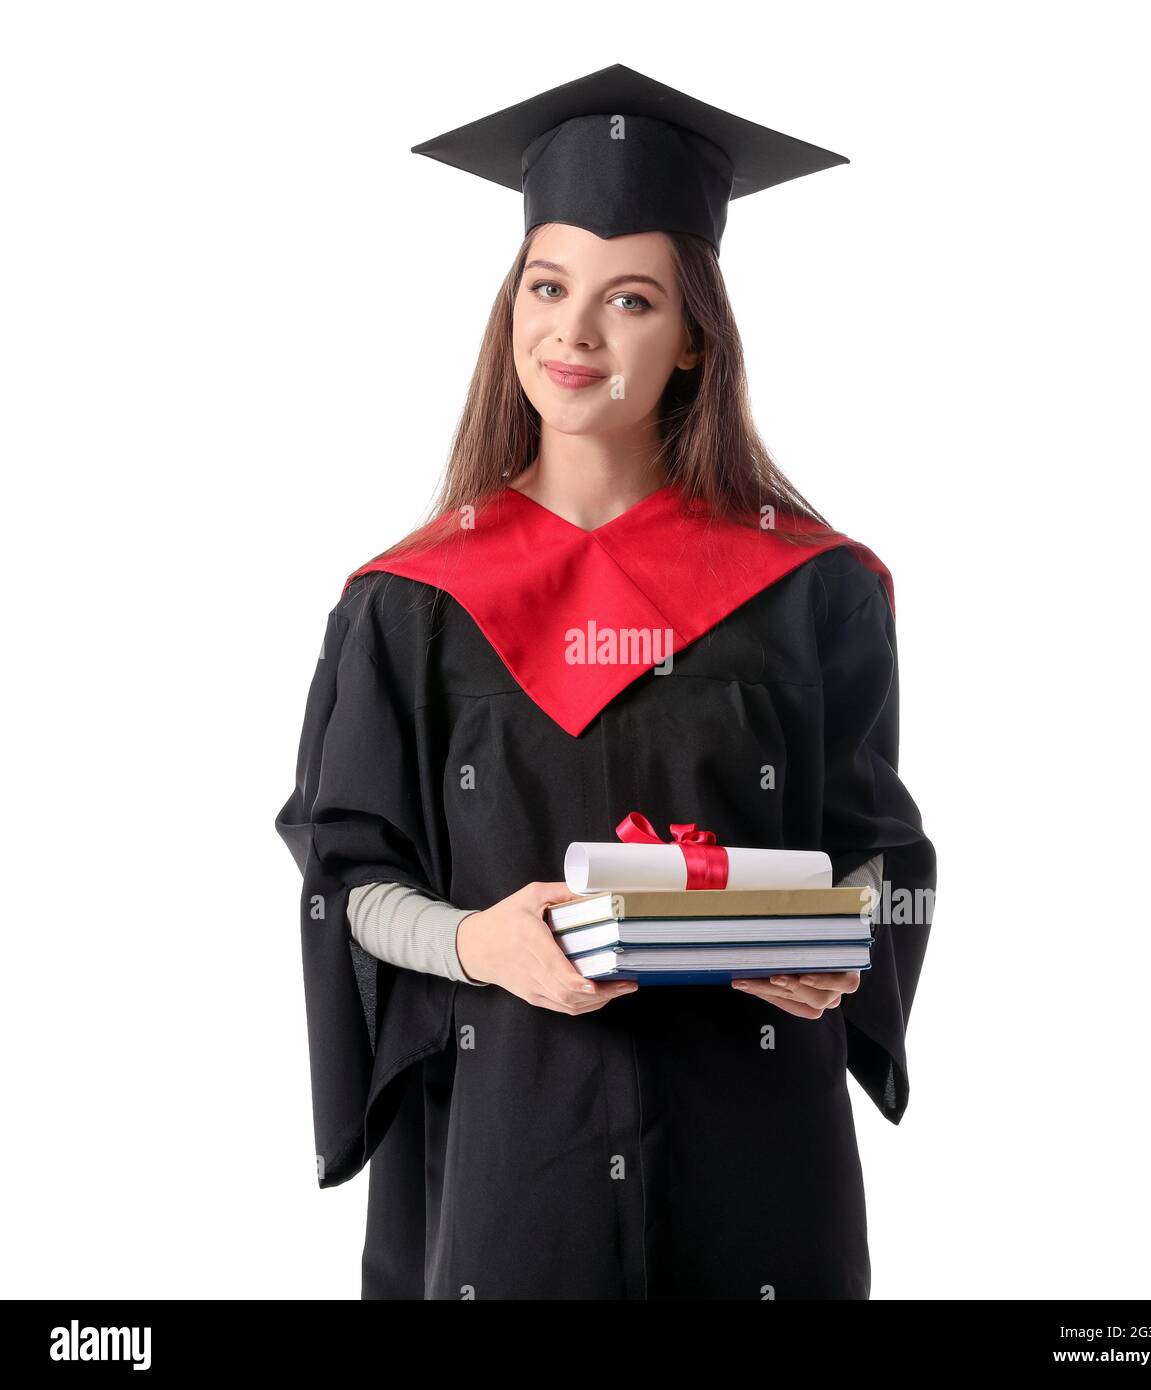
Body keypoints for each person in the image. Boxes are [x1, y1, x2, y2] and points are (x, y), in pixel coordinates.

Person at [275, 63, 936, 1300]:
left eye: (628, 298)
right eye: (547, 285)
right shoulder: (407, 602)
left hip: (756, 1159)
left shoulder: (811, 588)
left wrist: (835, 945)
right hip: (505, 1153)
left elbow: (878, 854)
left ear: (691, 339)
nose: (573, 335)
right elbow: (348, 877)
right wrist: (478, 943)